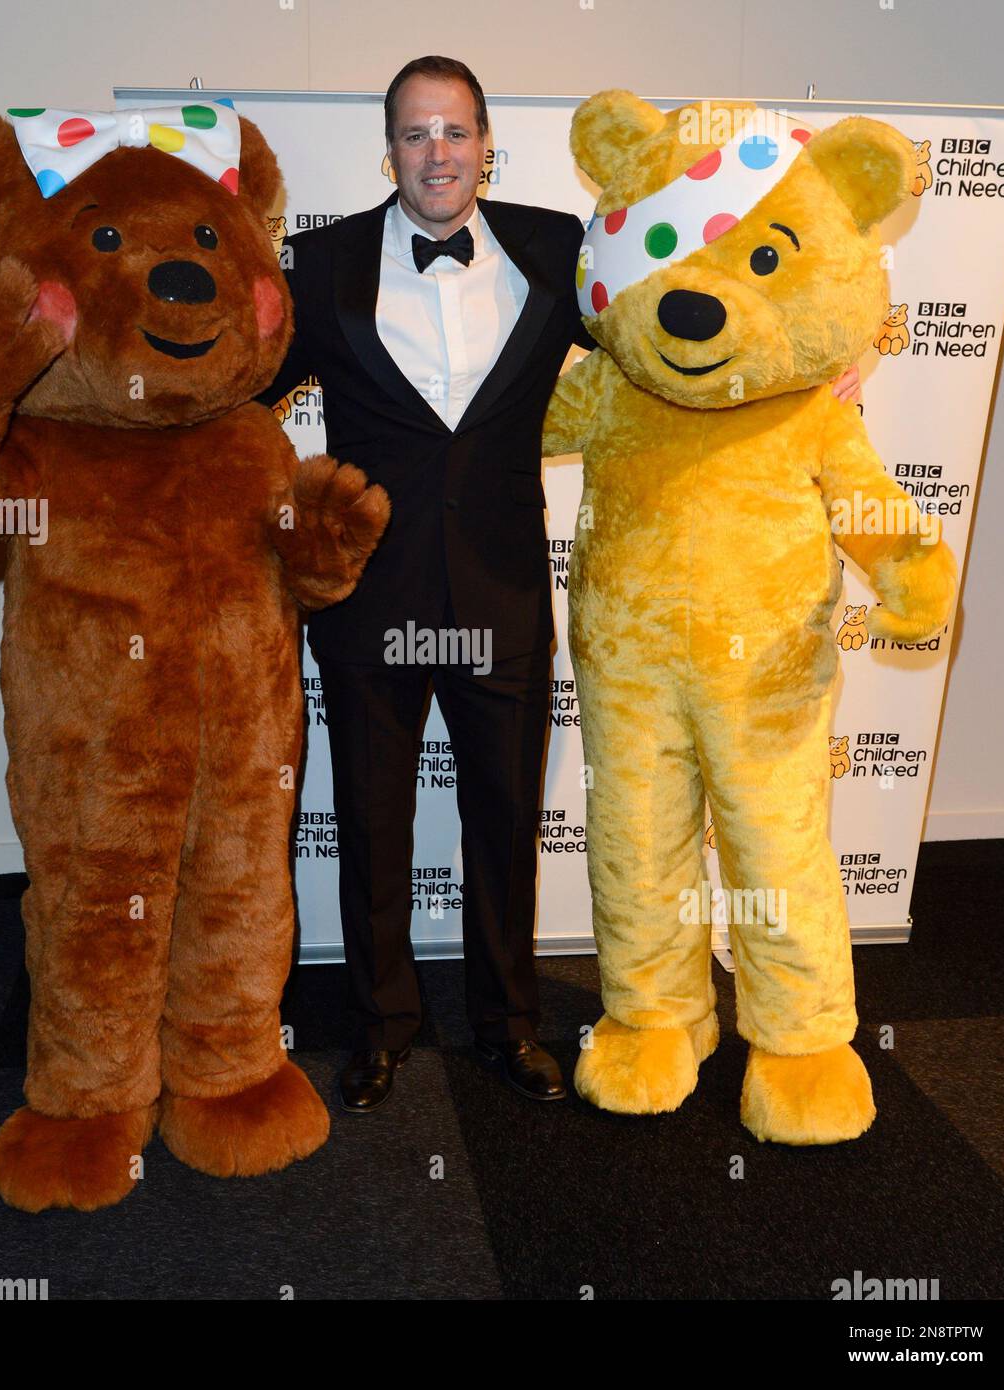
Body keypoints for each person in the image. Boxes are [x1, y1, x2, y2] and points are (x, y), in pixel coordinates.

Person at [257, 55, 861, 1113]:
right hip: (368, 605)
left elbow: (671, 334)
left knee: (503, 826)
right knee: (370, 823)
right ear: (388, 149)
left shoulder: (554, 249)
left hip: (501, 601)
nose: (436, 153)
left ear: (486, 146)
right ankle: (382, 1028)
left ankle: (507, 1025)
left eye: (455, 131)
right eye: (414, 133)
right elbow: (239, 388)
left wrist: (810, 373)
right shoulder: (320, 261)